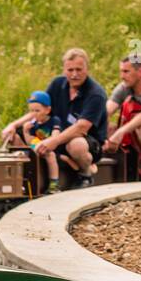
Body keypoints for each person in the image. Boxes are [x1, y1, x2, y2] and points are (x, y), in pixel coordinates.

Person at [35, 48, 109, 190]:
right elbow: (40, 109)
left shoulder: (96, 93)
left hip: (88, 141)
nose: (74, 74)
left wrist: (53, 141)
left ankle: (85, 174)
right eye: (70, 70)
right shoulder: (57, 84)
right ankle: (56, 166)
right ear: (64, 70)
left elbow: (81, 128)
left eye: (79, 69)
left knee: (76, 145)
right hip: (58, 135)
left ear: (87, 69)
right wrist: (14, 125)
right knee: (24, 131)